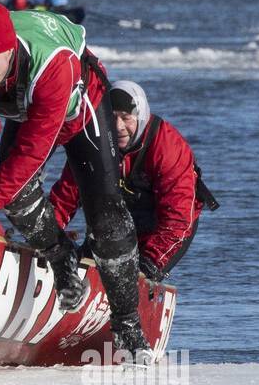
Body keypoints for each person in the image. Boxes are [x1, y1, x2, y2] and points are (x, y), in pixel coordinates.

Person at [0, 1, 152, 358]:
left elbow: (31, 153)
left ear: (10, 50)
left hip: (81, 107)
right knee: (17, 200)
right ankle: (61, 257)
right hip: (28, 107)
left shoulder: (52, 66)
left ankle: (128, 327)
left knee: (107, 219)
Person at [49, 81, 218, 282]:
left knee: (136, 274)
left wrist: (150, 263)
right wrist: (48, 236)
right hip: (114, 219)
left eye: (126, 118)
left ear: (141, 117)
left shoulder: (168, 148)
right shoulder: (93, 141)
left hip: (166, 226)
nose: (118, 127)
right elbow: (66, 196)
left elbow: (178, 219)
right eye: (112, 118)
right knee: (83, 260)